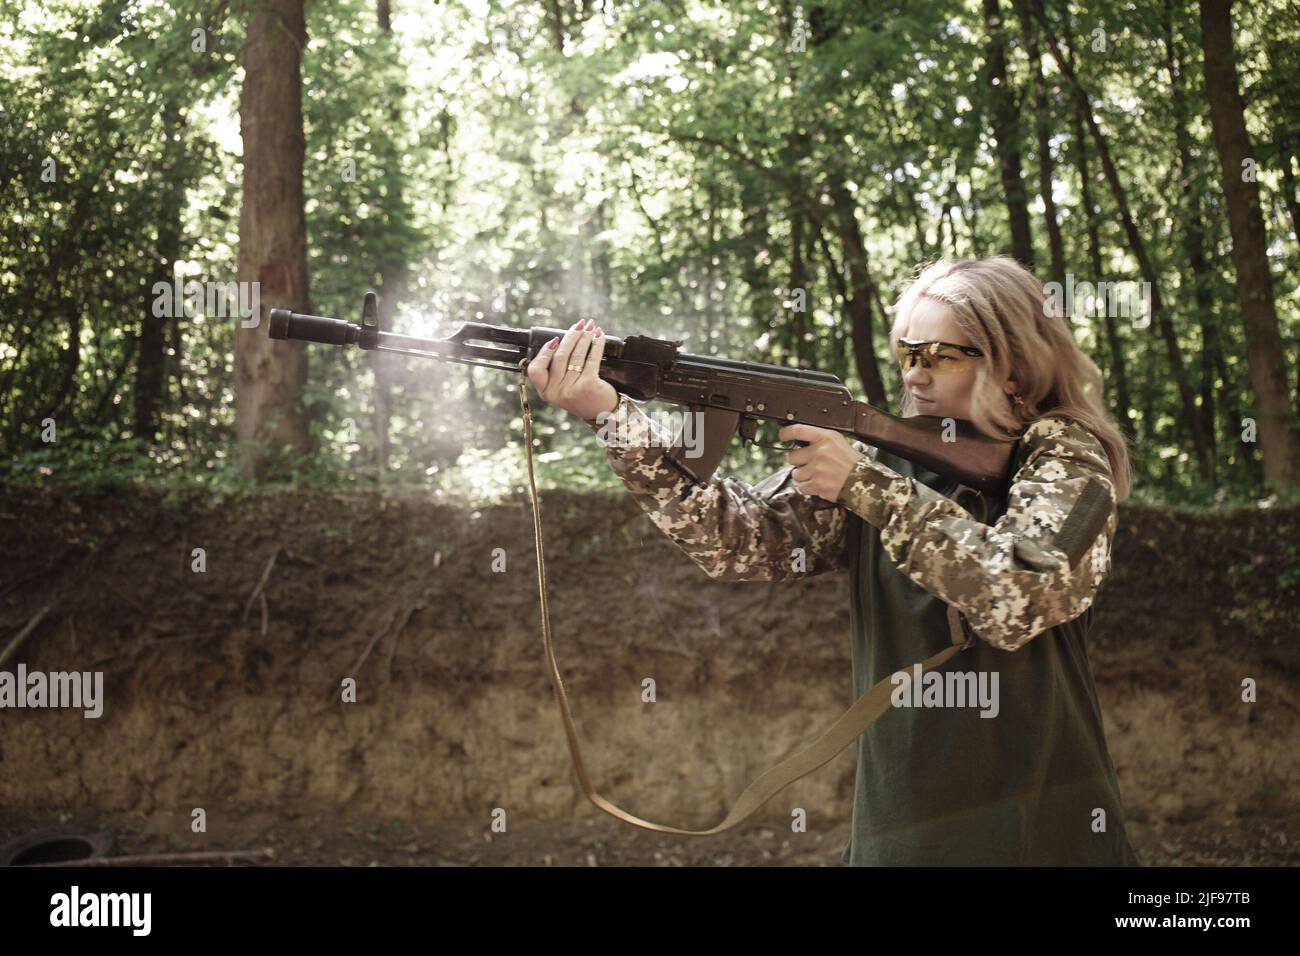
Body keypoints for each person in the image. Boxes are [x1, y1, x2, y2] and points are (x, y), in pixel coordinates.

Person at [525, 255, 1141, 866]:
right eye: (907, 353)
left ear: (1014, 367)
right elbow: (735, 540)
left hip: (1043, 831)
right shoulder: (888, 459)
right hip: (899, 831)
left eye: (940, 356)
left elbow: (1024, 590)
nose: (915, 375)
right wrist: (608, 415)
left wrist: (864, 486)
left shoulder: (1062, 455)